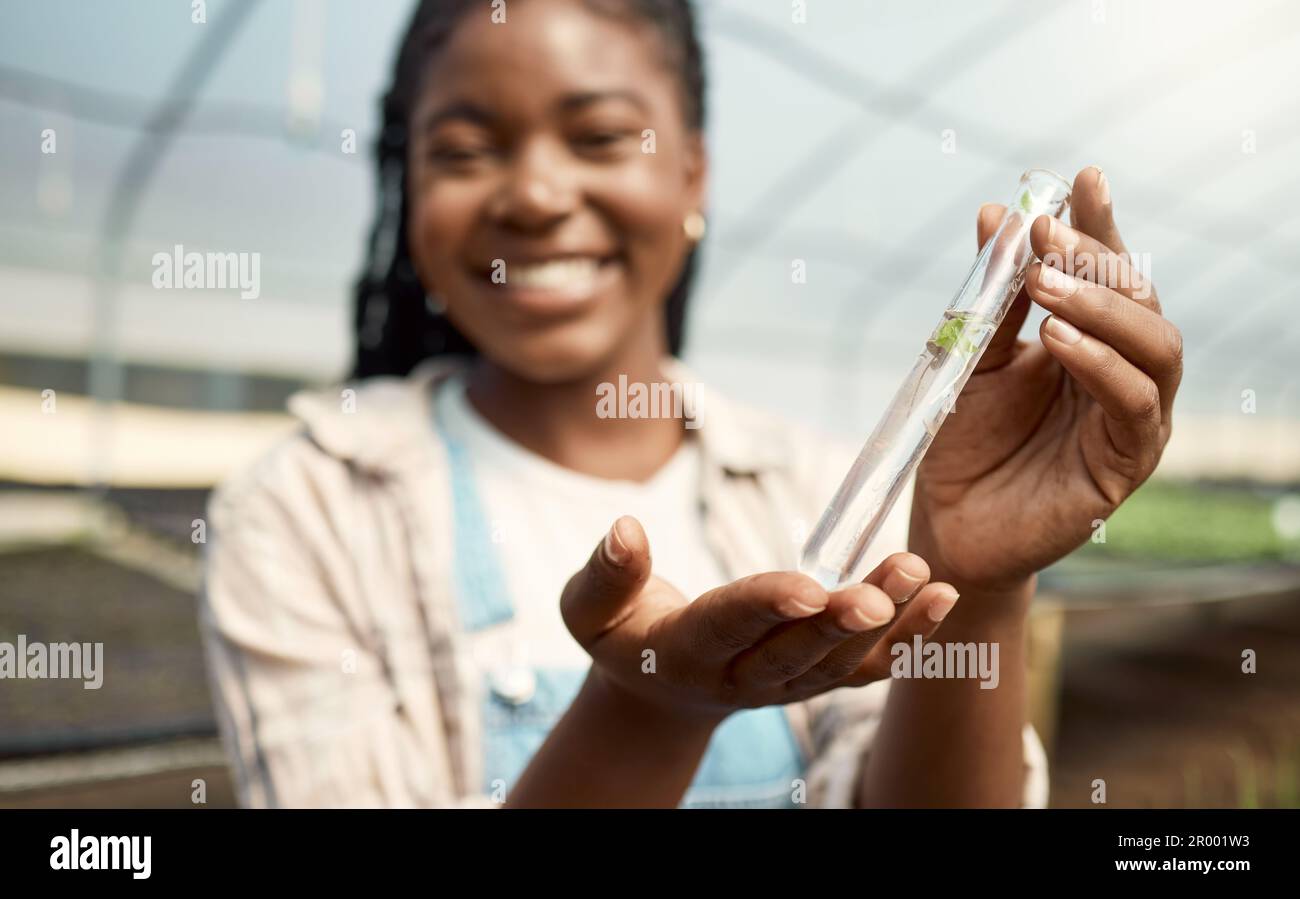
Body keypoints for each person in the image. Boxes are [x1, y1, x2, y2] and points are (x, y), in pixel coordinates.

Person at [199, 0, 1182, 808]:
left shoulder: (824, 489)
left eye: (596, 136)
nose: (535, 193)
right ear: (405, 184)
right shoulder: (303, 511)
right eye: (464, 149)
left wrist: (980, 587)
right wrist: (648, 707)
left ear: (692, 174)